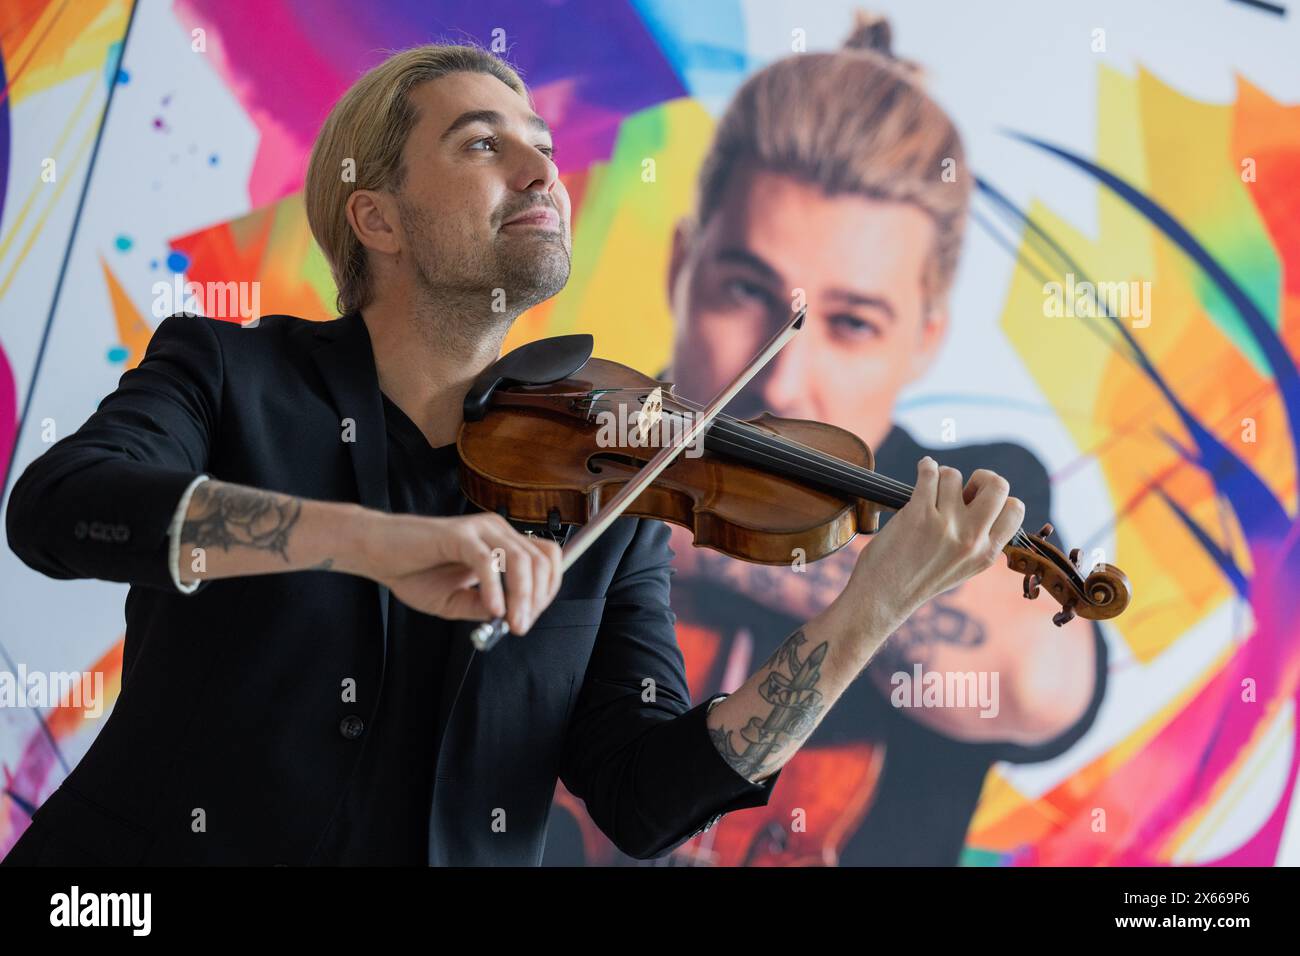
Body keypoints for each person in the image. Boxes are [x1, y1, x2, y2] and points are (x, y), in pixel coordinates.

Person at [3, 41, 1023, 867]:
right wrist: (370, 540)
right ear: (378, 215)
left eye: (542, 143)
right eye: (483, 144)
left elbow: (641, 799)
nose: (544, 169)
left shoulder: (615, 486)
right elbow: (63, 507)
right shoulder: (227, 371)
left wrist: (867, 613)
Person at [544, 14, 1106, 867]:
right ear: (680, 269)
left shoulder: (969, 493)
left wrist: (671, 524)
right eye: (744, 288)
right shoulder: (552, 436)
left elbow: (1039, 682)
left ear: (925, 337)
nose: (783, 380)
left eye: (851, 323)